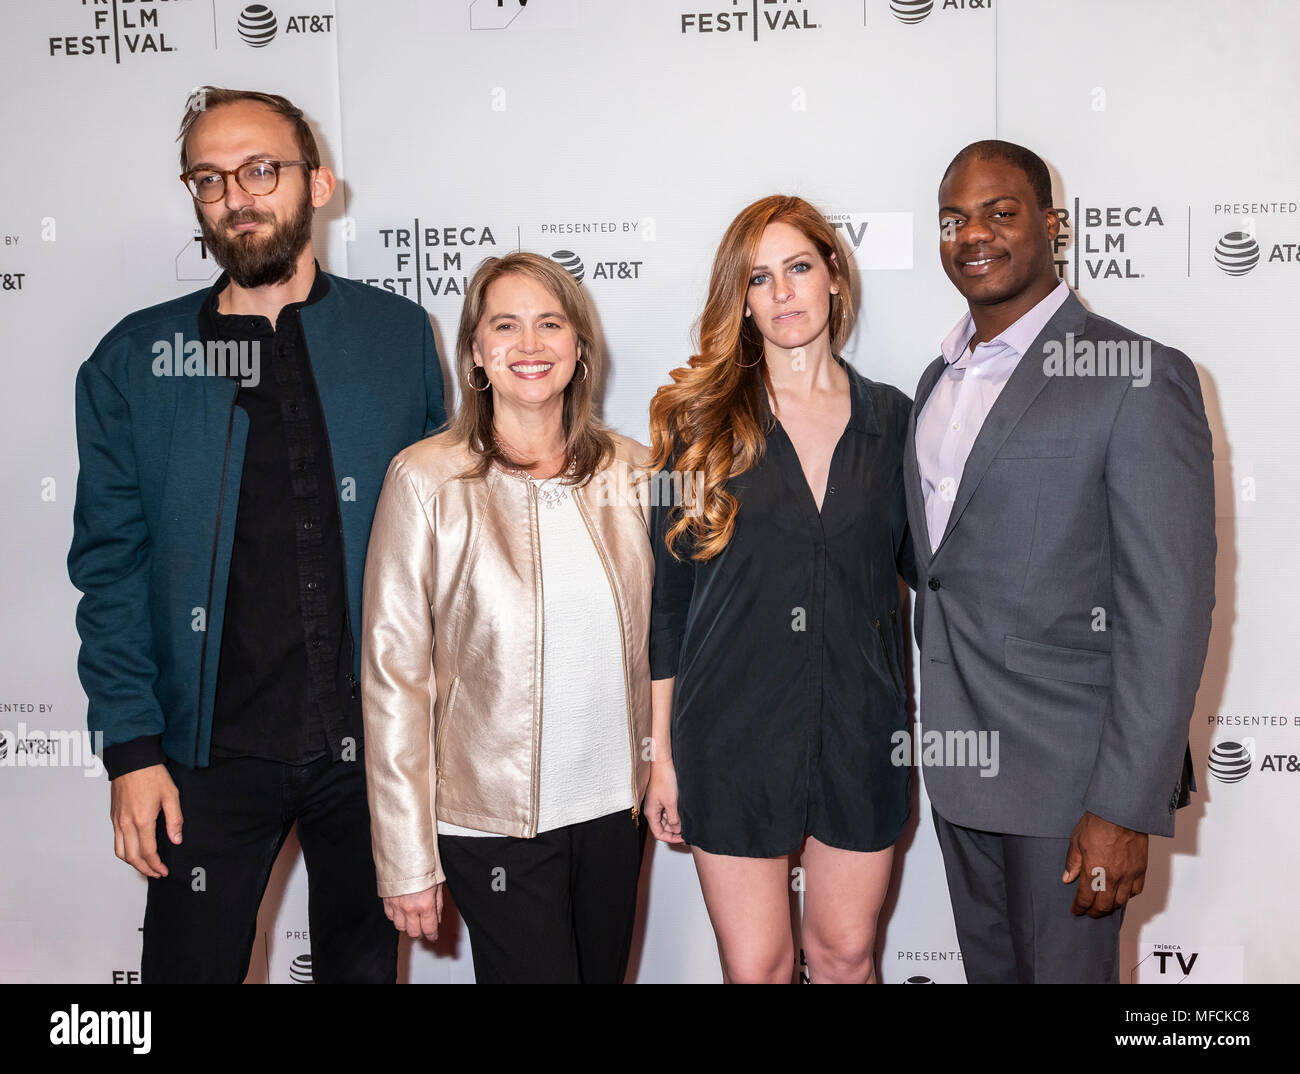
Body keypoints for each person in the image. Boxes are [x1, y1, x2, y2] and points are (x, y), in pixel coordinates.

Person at [67, 86, 445, 983]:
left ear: (317, 185)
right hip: (207, 757)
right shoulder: (135, 360)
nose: (237, 196)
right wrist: (130, 752)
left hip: (372, 749)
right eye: (210, 179)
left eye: (261, 170)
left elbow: (443, 544)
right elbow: (109, 568)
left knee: (360, 972)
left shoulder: (397, 338)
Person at [904, 140, 1215, 983]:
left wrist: (1122, 803)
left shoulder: (1137, 375)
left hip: (1070, 786)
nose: (975, 234)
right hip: (961, 776)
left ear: (1051, 224)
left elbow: (1168, 610)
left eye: (1001, 212)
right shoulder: (936, 382)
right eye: (954, 218)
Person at [644, 195, 916, 984]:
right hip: (728, 734)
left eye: (799, 267)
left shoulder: (895, 421)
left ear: (834, 275)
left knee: (845, 956)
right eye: (760, 278)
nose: (784, 292)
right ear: (742, 298)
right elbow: (668, 606)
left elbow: (937, 577)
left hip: (863, 733)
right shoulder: (697, 427)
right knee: (758, 967)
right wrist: (661, 759)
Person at [361, 251, 653, 984]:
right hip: (491, 824)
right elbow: (393, 678)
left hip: (616, 811)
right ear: (474, 354)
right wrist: (404, 856)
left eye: (550, 324)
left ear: (580, 349)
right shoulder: (425, 480)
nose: (530, 345)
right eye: (506, 325)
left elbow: (678, 639)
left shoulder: (637, 471)